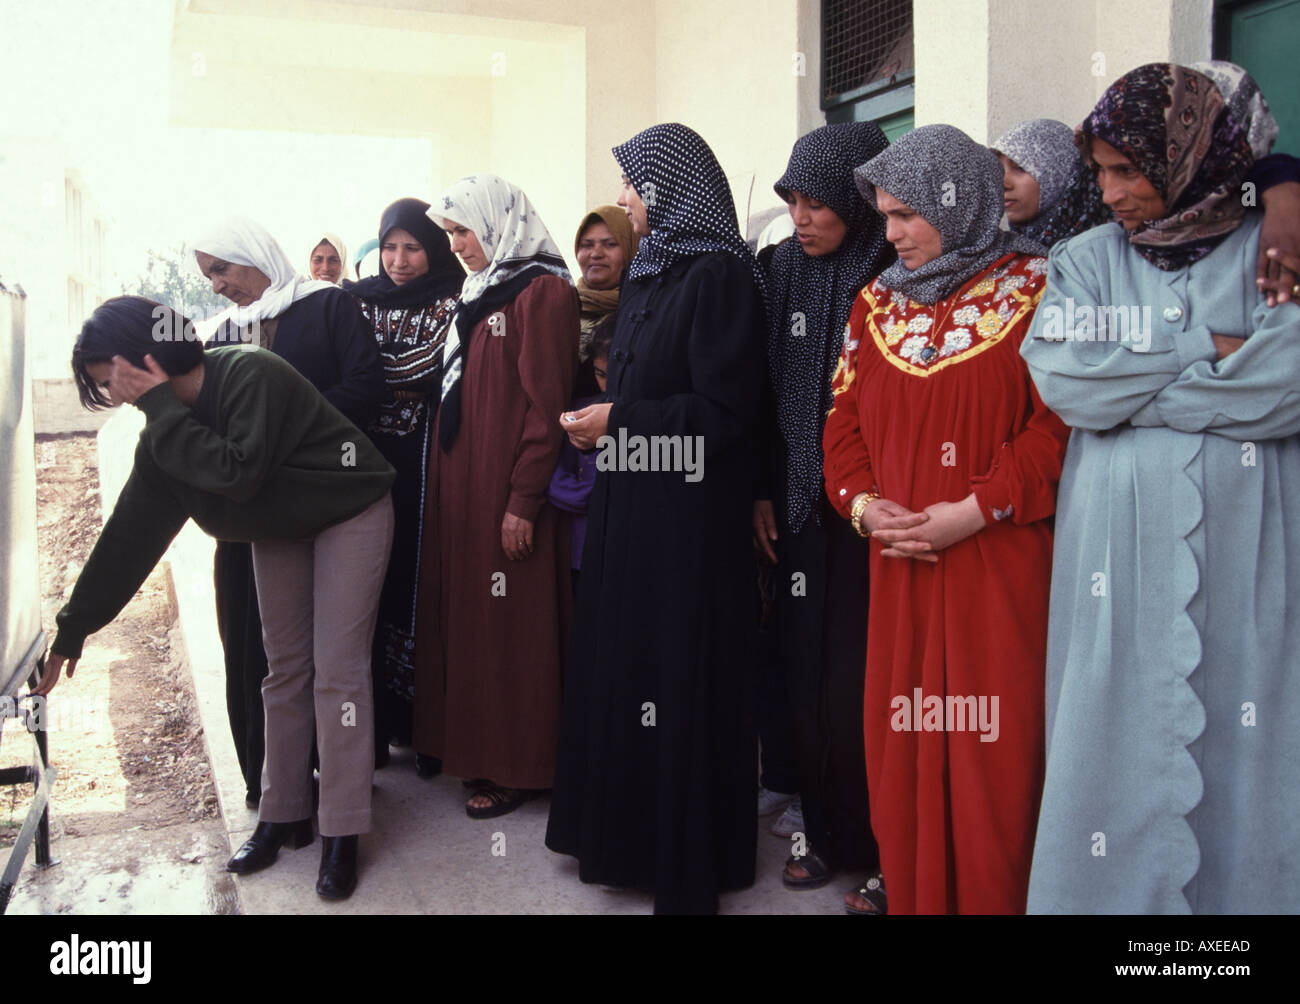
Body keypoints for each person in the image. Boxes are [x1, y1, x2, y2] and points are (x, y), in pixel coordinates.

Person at [1021, 63, 1300, 914]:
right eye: (1099, 170)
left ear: (1191, 159)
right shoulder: (1083, 261)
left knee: (1247, 735)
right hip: (1116, 553)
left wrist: (1137, 387)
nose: (1108, 192)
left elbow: (1286, 382)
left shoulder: (1275, 246)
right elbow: (1067, 381)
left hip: (1249, 544)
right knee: (1113, 735)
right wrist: (1204, 350)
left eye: (1126, 170)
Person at [43, 296, 395, 900]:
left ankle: (343, 829)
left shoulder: (249, 373)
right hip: (282, 522)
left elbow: (239, 472)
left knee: (338, 674)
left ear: (142, 359)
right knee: (283, 670)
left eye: (114, 381)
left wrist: (157, 405)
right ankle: (283, 814)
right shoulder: (162, 438)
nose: (118, 396)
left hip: (349, 509)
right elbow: (129, 538)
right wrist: (73, 628)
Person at [821, 124, 1070, 914]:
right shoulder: (875, 301)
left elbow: (1059, 424)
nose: (889, 234)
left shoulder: (1041, 288)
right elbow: (841, 424)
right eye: (885, 216)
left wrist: (973, 509)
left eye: (906, 215)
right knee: (906, 745)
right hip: (899, 565)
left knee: (995, 753)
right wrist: (865, 508)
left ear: (958, 202)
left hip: (997, 563)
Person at [545, 122, 766, 914]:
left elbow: (724, 414)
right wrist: (609, 424)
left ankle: (685, 863)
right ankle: (625, 844)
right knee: (625, 670)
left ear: (675, 188)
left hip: (687, 526)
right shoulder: (651, 275)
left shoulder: (721, 278)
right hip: (630, 510)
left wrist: (620, 422)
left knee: (677, 679)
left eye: (637, 185)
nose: (628, 200)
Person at [754, 122, 896, 913]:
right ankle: (820, 823)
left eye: (816, 202)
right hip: (797, 501)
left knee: (858, 681)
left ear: (856, 197)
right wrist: (761, 491)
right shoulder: (780, 270)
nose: (801, 217)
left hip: (869, 509)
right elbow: (762, 395)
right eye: (792, 201)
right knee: (802, 672)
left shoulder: (888, 262)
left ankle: (873, 840)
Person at [195, 217, 383, 811]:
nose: (218, 286)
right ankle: (277, 799)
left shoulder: (328, 307)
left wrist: (284, 429)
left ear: (252, 255)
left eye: (222, 269)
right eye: (207, 277)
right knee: (269, 661)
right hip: (258, 515)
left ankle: (343, 814)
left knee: (336, 668)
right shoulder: (221, 334)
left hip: (336, 501)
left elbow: (366, 385)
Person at [412, 173, 578, 818]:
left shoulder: (542, 293)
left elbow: (546, 408)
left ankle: (522, 763)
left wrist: (522, 500)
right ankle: (476, 750)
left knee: (511, 626)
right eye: (449, 232)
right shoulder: (479, 292)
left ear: (499, 221)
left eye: (463, 229)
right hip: (463, 484)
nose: (455, 244)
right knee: (474, 620)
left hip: (505, 489)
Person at [346, 198, 463, 775]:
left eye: (412, 246)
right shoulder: (355, 300)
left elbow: (427, 370)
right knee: (366, 584)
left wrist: (378, 373)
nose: (398, 259)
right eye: (389, 247)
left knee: (418, 583)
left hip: (424, 462)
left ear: (433, 247)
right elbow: (369, 370)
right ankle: (377, 725)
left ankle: (425, 727)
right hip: (366, 460)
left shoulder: (458, 296)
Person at [547, 316, 613, 594]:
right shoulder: (580, 412)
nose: (607, 385)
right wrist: (600, 496)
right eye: (600, 374)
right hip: (581, 546)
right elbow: (556, 480)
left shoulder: (653, 419)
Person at [991, 118, 1111, 250]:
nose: (1003, 183)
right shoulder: (1001, 255)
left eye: (1020, 168)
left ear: (1059, 173)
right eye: (998, 170)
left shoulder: (1104, 251)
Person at [573, 206, 638, 397]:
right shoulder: (565, 306)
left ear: (631, 248)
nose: (596, 253)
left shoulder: (639, 313)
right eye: (587, 244)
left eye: (610, 244)